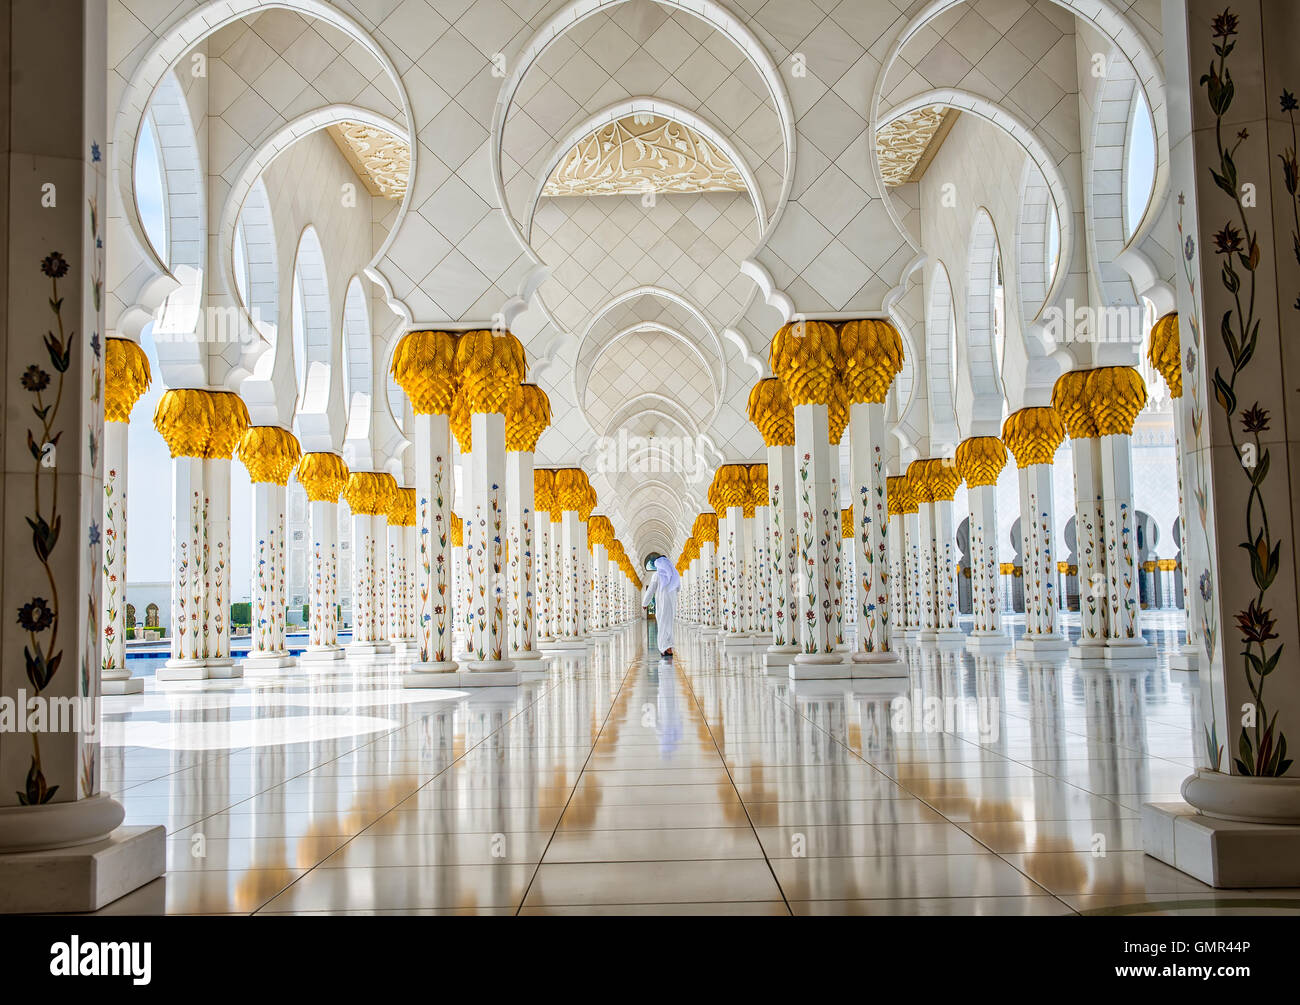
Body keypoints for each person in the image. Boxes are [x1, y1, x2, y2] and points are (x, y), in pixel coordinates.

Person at [642, 556, 680, 657]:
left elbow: (651, 590)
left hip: (662, 603)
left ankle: (664, 648)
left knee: (662, 624)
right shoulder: (673, 574)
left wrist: (645, 603)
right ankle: (669, 647)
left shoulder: (657, 575)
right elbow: (678, 588)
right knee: (669, 625)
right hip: (672, 603)